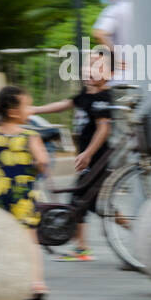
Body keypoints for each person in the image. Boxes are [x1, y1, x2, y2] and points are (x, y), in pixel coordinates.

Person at [29, 50, 115, 260]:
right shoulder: (86, 95)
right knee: (94, 204)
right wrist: (36, 110)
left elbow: (104, 130)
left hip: (96, 159)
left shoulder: (103, 98)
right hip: (89, 158)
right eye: (89, 64)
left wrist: (87, 153)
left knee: (79, 201)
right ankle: (127, 229)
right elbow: (64, 105)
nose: (91, 70)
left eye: (98, 66)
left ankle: (82, 249)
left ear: (110, 73)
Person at [0, 86, 49, 300]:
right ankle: (36, 283)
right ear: (14, 112)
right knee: (30, 238)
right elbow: (42, 160)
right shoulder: (30, 135)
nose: (31, 110)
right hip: (21, 194)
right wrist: (39, 167)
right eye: (28, 106)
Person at [93, 0, 133, 83]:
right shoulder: (143, 9)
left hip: (122, 76)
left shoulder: (114, 10)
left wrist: (113, 59)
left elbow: (99, 33)